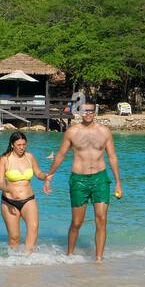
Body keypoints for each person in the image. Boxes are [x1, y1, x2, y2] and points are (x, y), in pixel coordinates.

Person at [43, 99, 123, 262]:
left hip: (100, 179)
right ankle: (69, 255)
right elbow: (60, 155)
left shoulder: (105, 131)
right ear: (79, 112)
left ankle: (99, 259)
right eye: (85, 111)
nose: (88, 114)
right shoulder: (72, 132)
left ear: (95, 112)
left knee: (101, 219)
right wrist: (50, 175)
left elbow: (112, 157)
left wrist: (118, 182)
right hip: (78, 180)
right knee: (77, 222)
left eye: (91, 111)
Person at [0, 133, 48, 254]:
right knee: (14, 237)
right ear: (12, 145)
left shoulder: (29, 157)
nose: (22, 147)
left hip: (28, 200)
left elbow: (38, 172)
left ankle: (28, 259)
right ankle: (13, 263)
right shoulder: (4, 159)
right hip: (9, 202)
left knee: (34, 227)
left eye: (24, 144)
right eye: (18, 145)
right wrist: (8, 188)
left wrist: (45, 176)